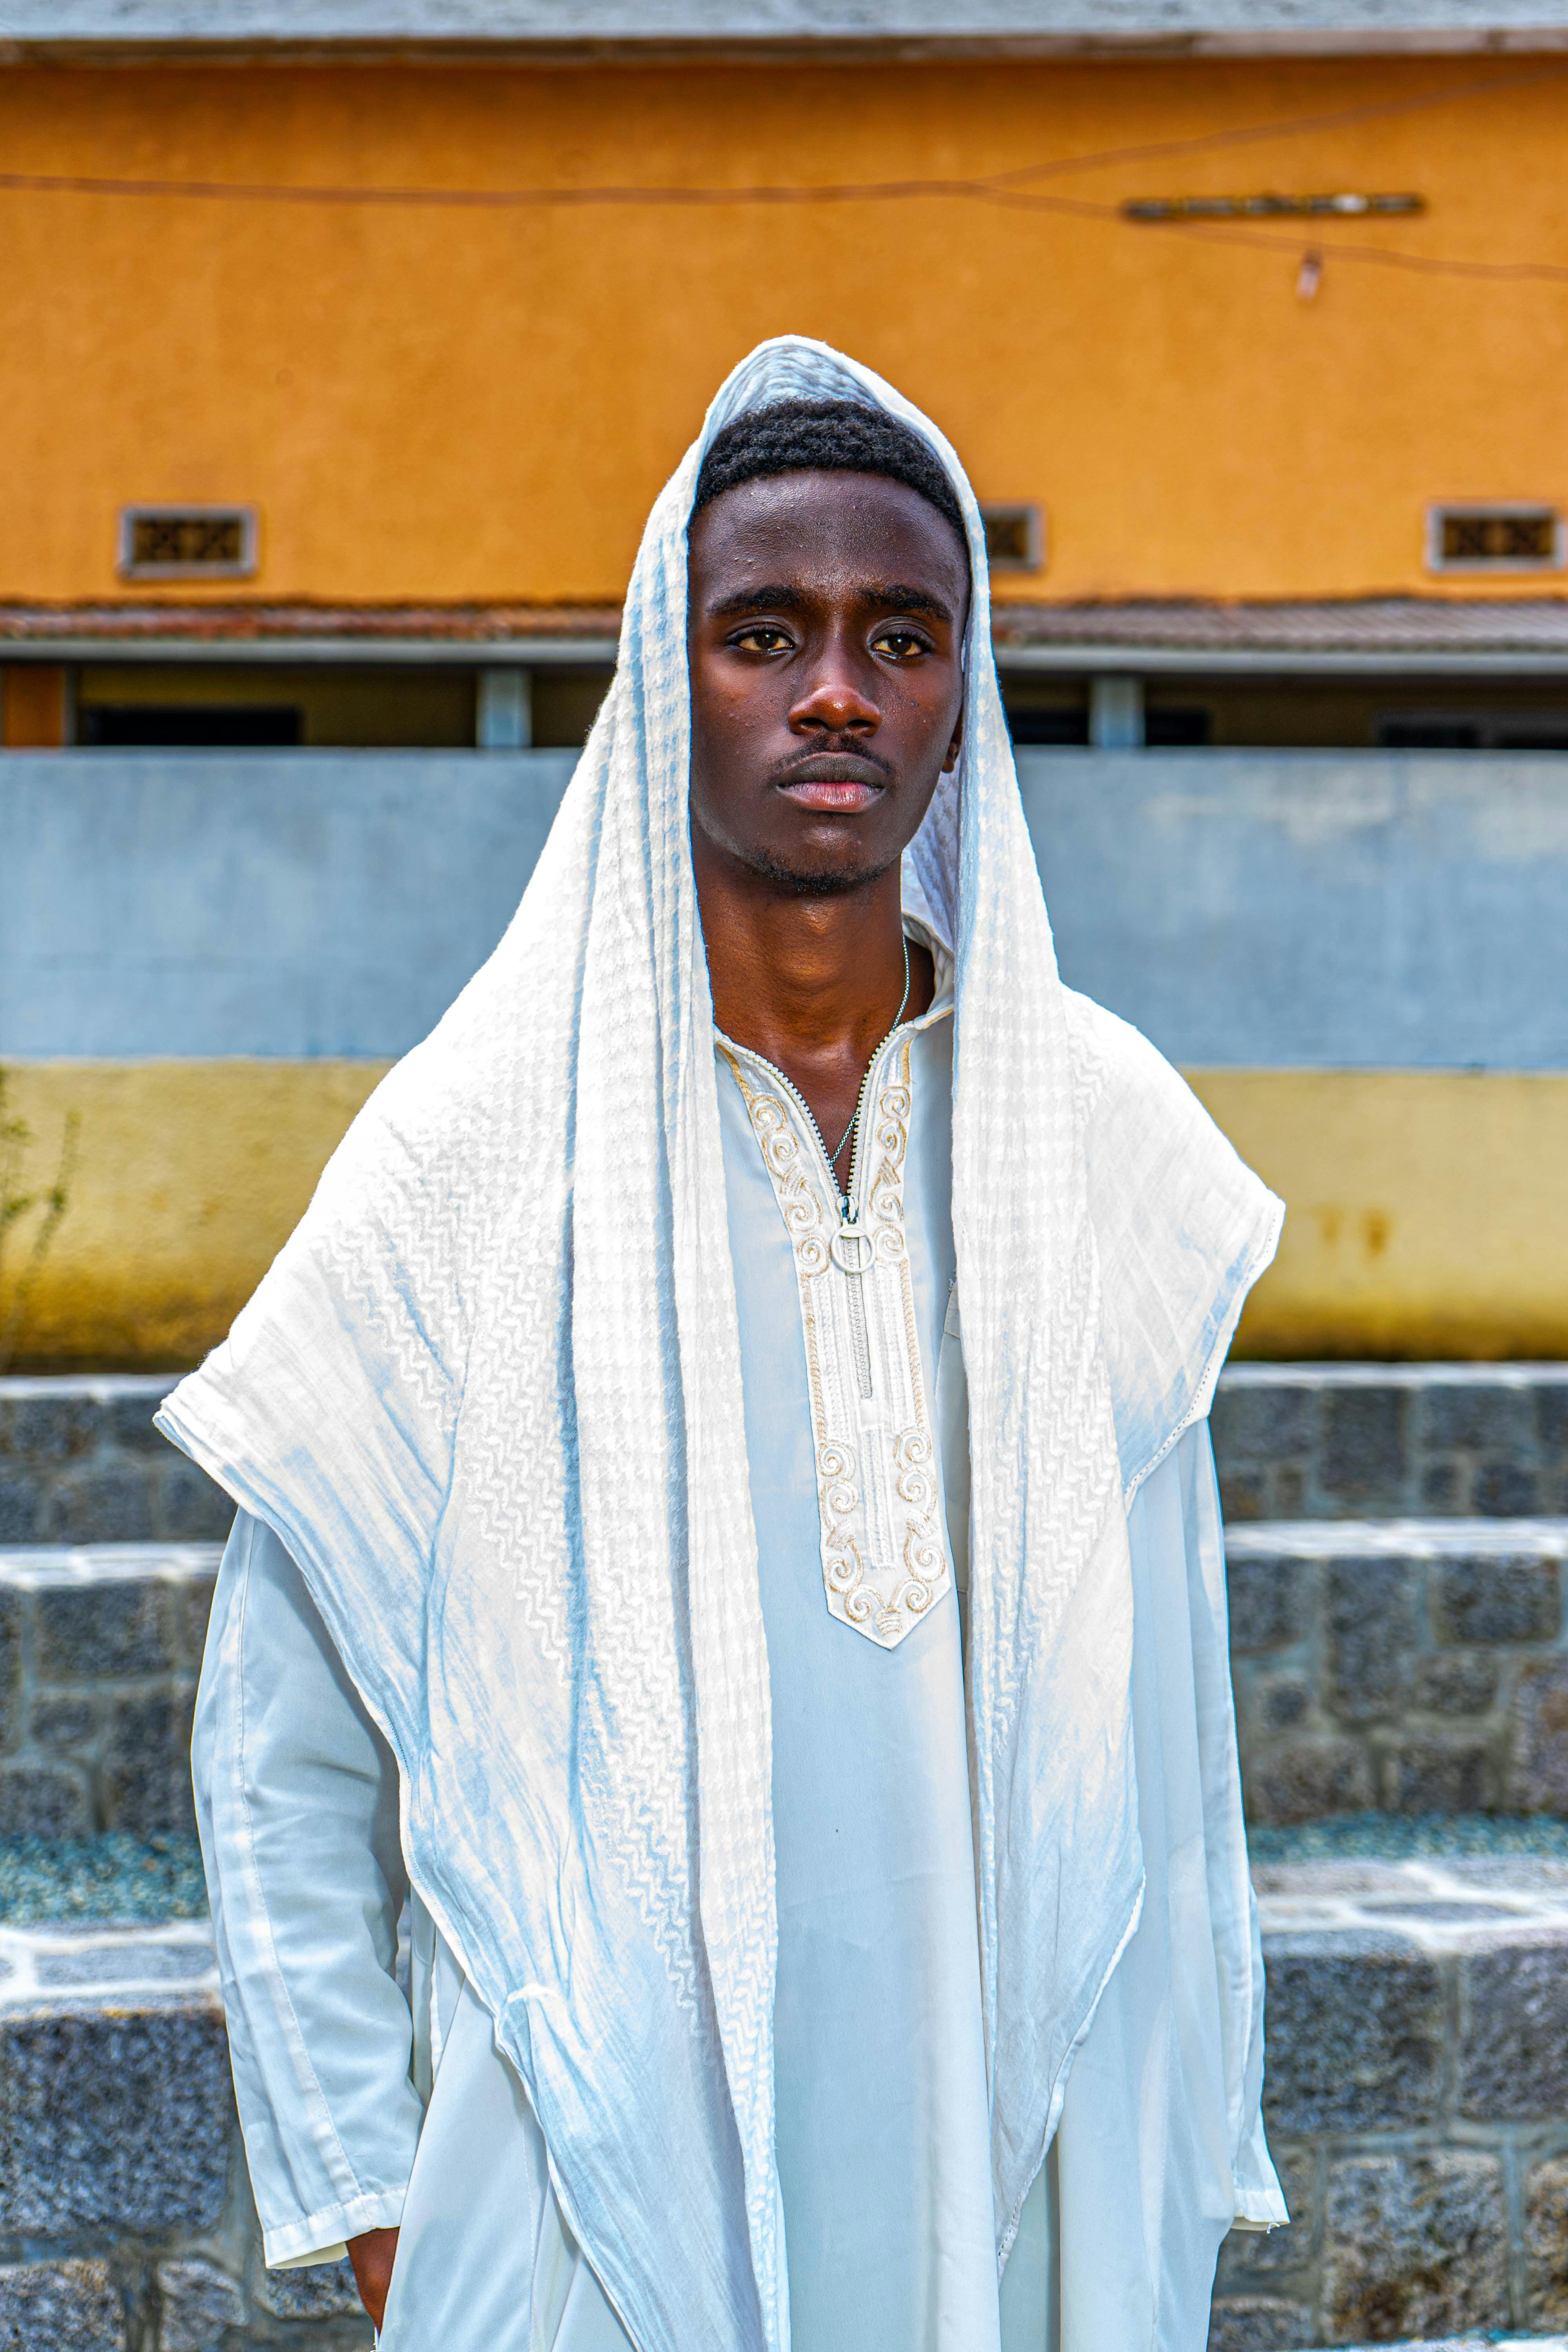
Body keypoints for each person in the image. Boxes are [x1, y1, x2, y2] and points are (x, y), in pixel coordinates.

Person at [161, 337, 1287, 2352]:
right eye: (762, 632)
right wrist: (379, 2208)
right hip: (596, 2225)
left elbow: (1175, 1756)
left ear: (963, 705)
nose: (835, 690)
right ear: (658, 686)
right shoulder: (474, 1158)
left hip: (1019, 2212)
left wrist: (1165, 2181)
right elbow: (277, 1758)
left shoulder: (1097, 1141)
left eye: (899, 636)